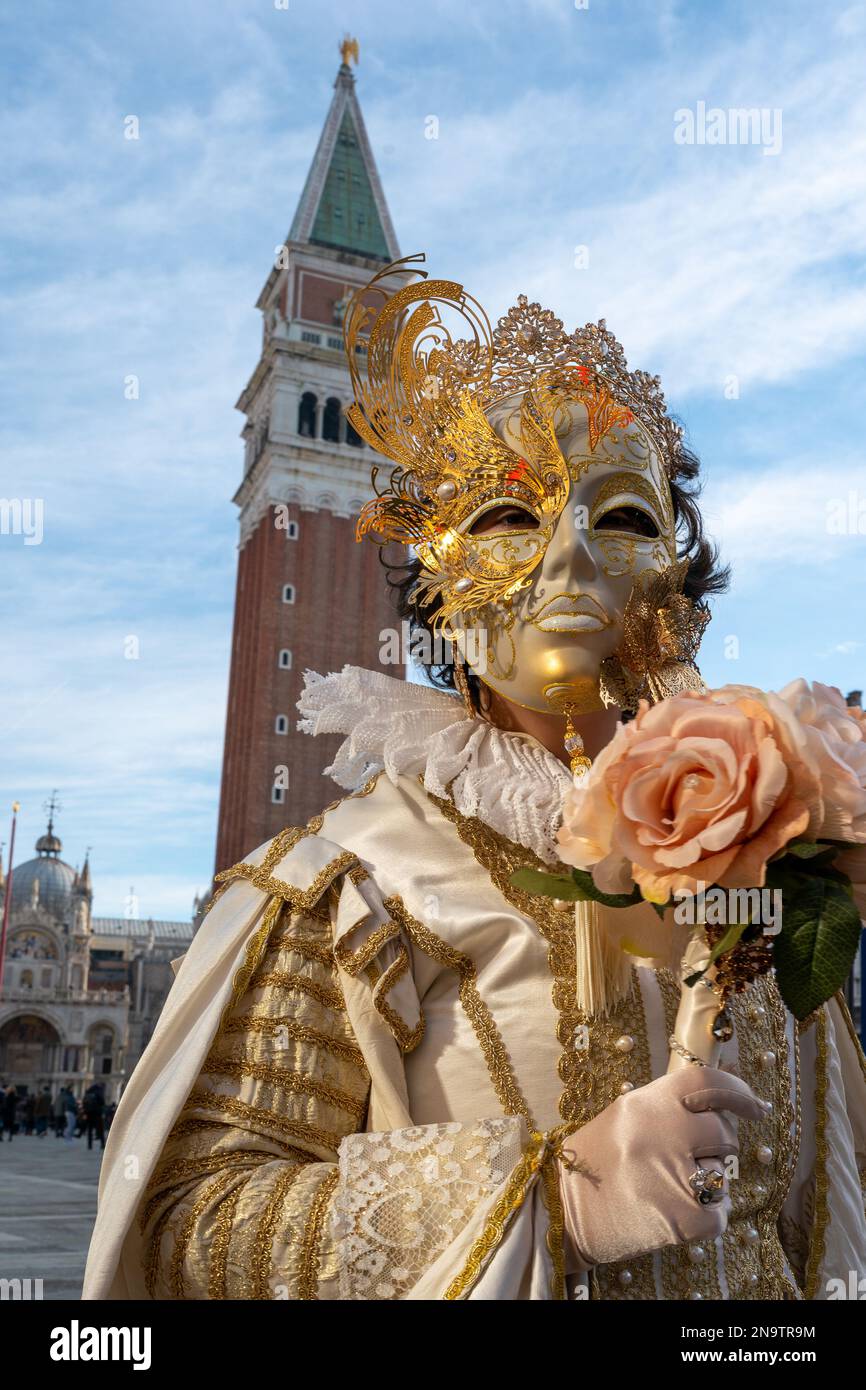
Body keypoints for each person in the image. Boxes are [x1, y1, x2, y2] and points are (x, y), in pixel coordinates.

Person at [83, 258, 866, 1301]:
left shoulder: (768, 854)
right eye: (509, 516)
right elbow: (192, 1226)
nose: (570, 562)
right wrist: (550, 1202)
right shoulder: (349, 881)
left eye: (623, 517)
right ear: (436, 584)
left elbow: (822, 1215)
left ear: (680, 581)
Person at [82, 1083, 106, 1151]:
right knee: (100, 1129)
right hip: (97, 1113)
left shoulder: (87, 1093)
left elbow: (84, 1104)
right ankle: (102, 1144)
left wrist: (85, 1113)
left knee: (90, 1130)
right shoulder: (98, 1093)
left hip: (89, 1114)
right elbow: (102, 1102)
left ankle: (89, 1145)